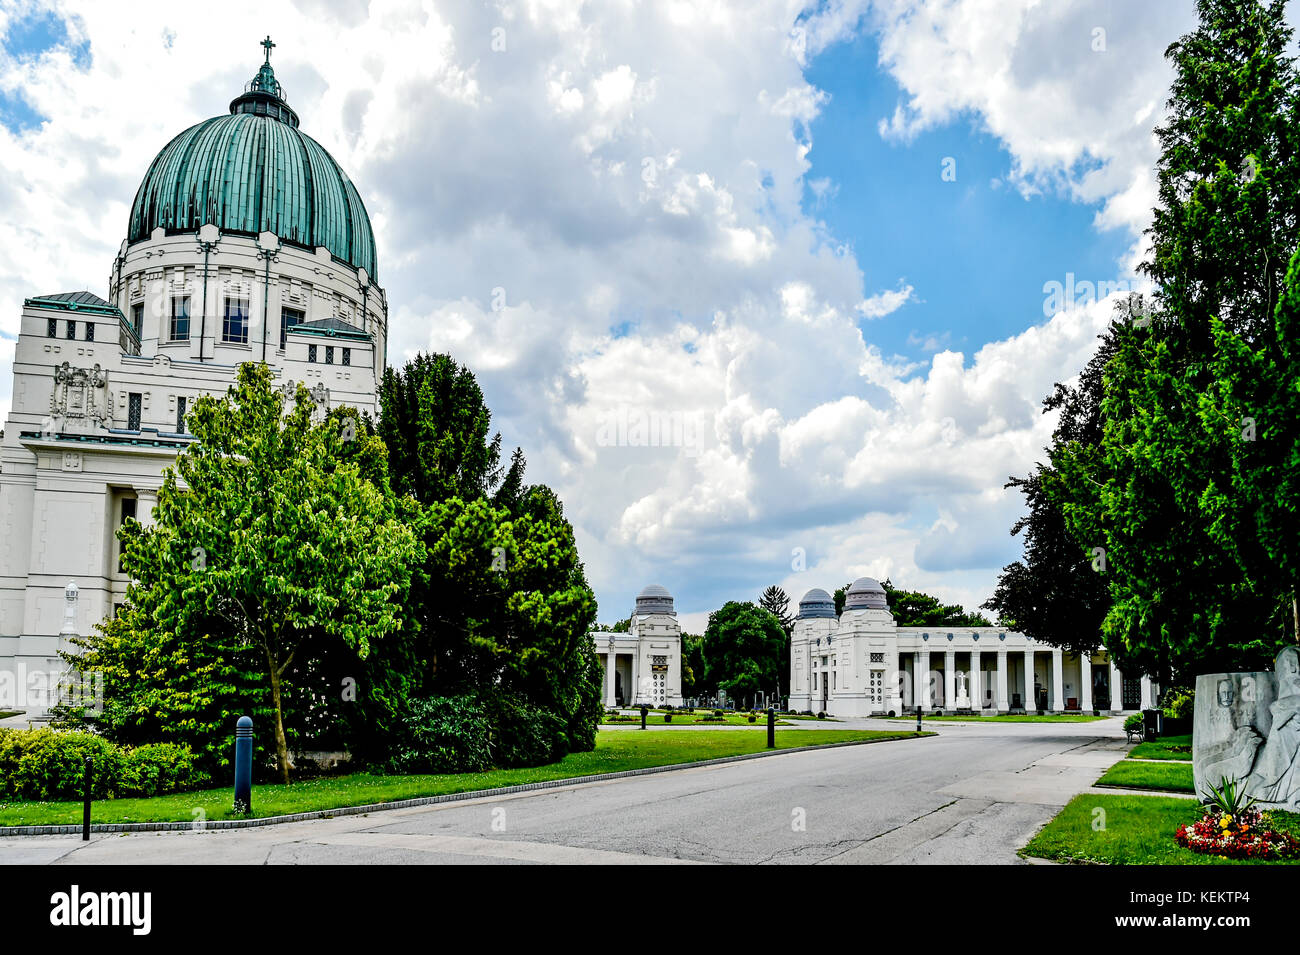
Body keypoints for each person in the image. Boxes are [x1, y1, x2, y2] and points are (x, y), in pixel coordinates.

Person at [1248, 646, 1300, 809]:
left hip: (1291, 726)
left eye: (1294, 663)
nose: (1293, 667)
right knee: (1274, 761)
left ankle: (1293, 795)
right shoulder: (1288, 682)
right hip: (1285, 729)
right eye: (1290, 663)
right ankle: (1271, 789)